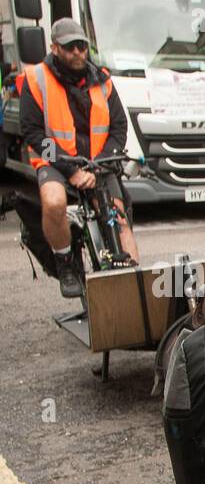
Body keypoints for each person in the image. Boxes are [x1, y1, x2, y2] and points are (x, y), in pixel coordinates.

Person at [18, 17, 138, 297]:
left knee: (119, 220)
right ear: (55, 48)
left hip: (97, 164)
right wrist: (69, 169)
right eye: (70, 47)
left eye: (81, 46)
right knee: (54, 201)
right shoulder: (36, 78)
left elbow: (119, 127)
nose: (77, 53)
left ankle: (133, 287)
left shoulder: (103, 79)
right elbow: (32, 133)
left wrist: (100, 164)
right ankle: (66, 263)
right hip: (56, 162)